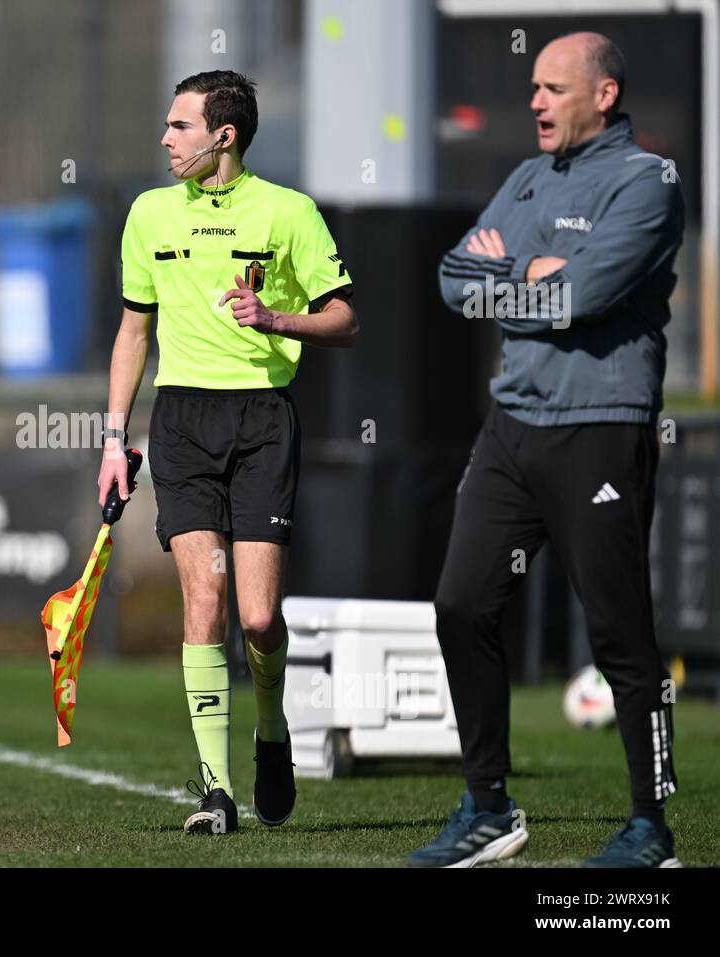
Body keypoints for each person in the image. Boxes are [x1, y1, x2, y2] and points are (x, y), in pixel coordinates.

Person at [408, 33, 685, 868]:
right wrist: (539, 273)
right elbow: (454, 278)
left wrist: (519, 279)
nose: (533, 101)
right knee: (460, 605)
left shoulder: (647, 181)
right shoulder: (528, 177)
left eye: (552, 89)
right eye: (532, 86)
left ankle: (651, 824)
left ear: (603, 95)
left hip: (600, 424)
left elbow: (587, 293)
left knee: (620, 633)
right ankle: (489, 808)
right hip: (510, 430)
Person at [98, 70, 357, 834]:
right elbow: (133, 333)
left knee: (258, 615)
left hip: (263, 423)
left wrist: (275, 318)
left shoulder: (289, 212)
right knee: (203, 602)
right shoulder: (147, 214)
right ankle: (216, 790)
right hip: (179, 425)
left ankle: (270, 726)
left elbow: (343, 318)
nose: (165, 138)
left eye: (179, 126)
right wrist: (113, 440)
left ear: (224, 135)